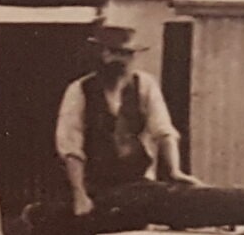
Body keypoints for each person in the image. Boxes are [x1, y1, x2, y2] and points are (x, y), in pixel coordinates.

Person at [56, 23, 190, 221]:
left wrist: (174, 170)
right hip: (95, 184)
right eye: (114, 52)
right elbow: (70, 147)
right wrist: (79, 194)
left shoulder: (145, 85)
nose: (120, 60)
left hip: (138, 181)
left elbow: (163, 131)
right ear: (101, 54)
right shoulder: (80, 90)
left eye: (127, 54)